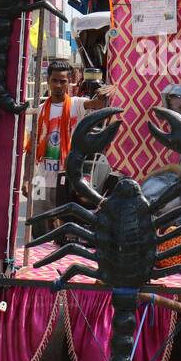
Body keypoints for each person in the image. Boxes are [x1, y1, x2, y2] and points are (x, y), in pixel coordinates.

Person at [23, 61, 108, 236]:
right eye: (55, 80)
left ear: (69, 82)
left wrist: (104, 93)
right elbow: (30, 149)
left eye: (63, 81)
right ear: (48, 80)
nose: (58, 85)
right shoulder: (39, 111)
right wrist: (25, 178)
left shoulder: (77, 104)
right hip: (40, 180)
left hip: (67, 179)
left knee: (66, 232)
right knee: (39, 229)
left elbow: (97, 104)